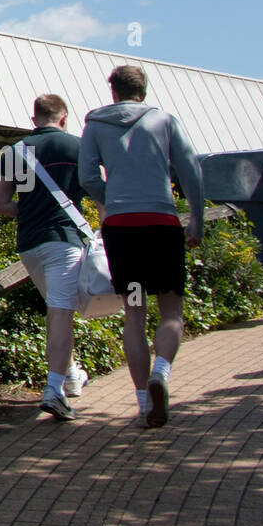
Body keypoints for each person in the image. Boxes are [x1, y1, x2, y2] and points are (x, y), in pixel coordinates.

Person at [79, 64, 205, 429]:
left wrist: (112, 199)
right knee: (171, 312)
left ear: (113, 92)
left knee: (134, 313)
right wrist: (195, 220)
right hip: (161, 222)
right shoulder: (165, 121)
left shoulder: (95, 125)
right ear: (143, 91)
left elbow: (88, 177)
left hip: (121, 226)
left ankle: (142, 403)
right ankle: (161, 374)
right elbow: (191, 169)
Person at [0, 93, 90, 421]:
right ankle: (54, 391)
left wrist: (30, 210)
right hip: (64, 240)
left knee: (56, 309)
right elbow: (100, 191)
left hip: (30, 244)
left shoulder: (14, 152)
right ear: (64, 118)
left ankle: (71, 374)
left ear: (34, 120)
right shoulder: (78, 148)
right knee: (62, 312)